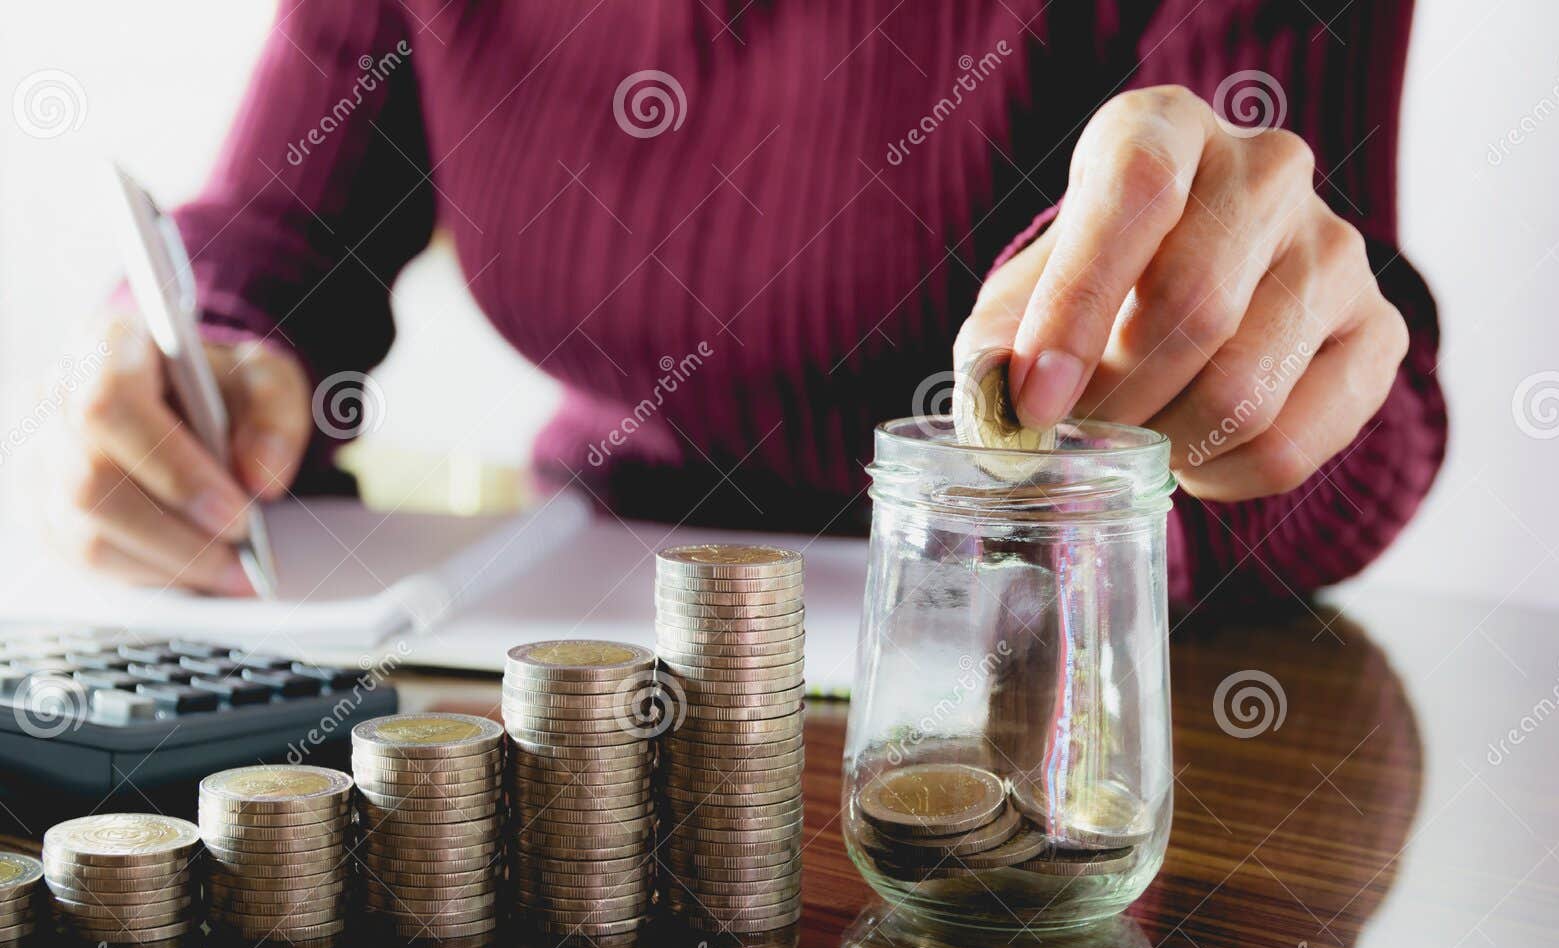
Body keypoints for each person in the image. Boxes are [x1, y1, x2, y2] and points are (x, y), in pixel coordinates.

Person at [42, 0, 1444, 608]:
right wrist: (206, 354)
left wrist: (1245, 374)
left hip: (1085, 684)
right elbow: (284, 233)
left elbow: (1316, 319)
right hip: (575, 617)